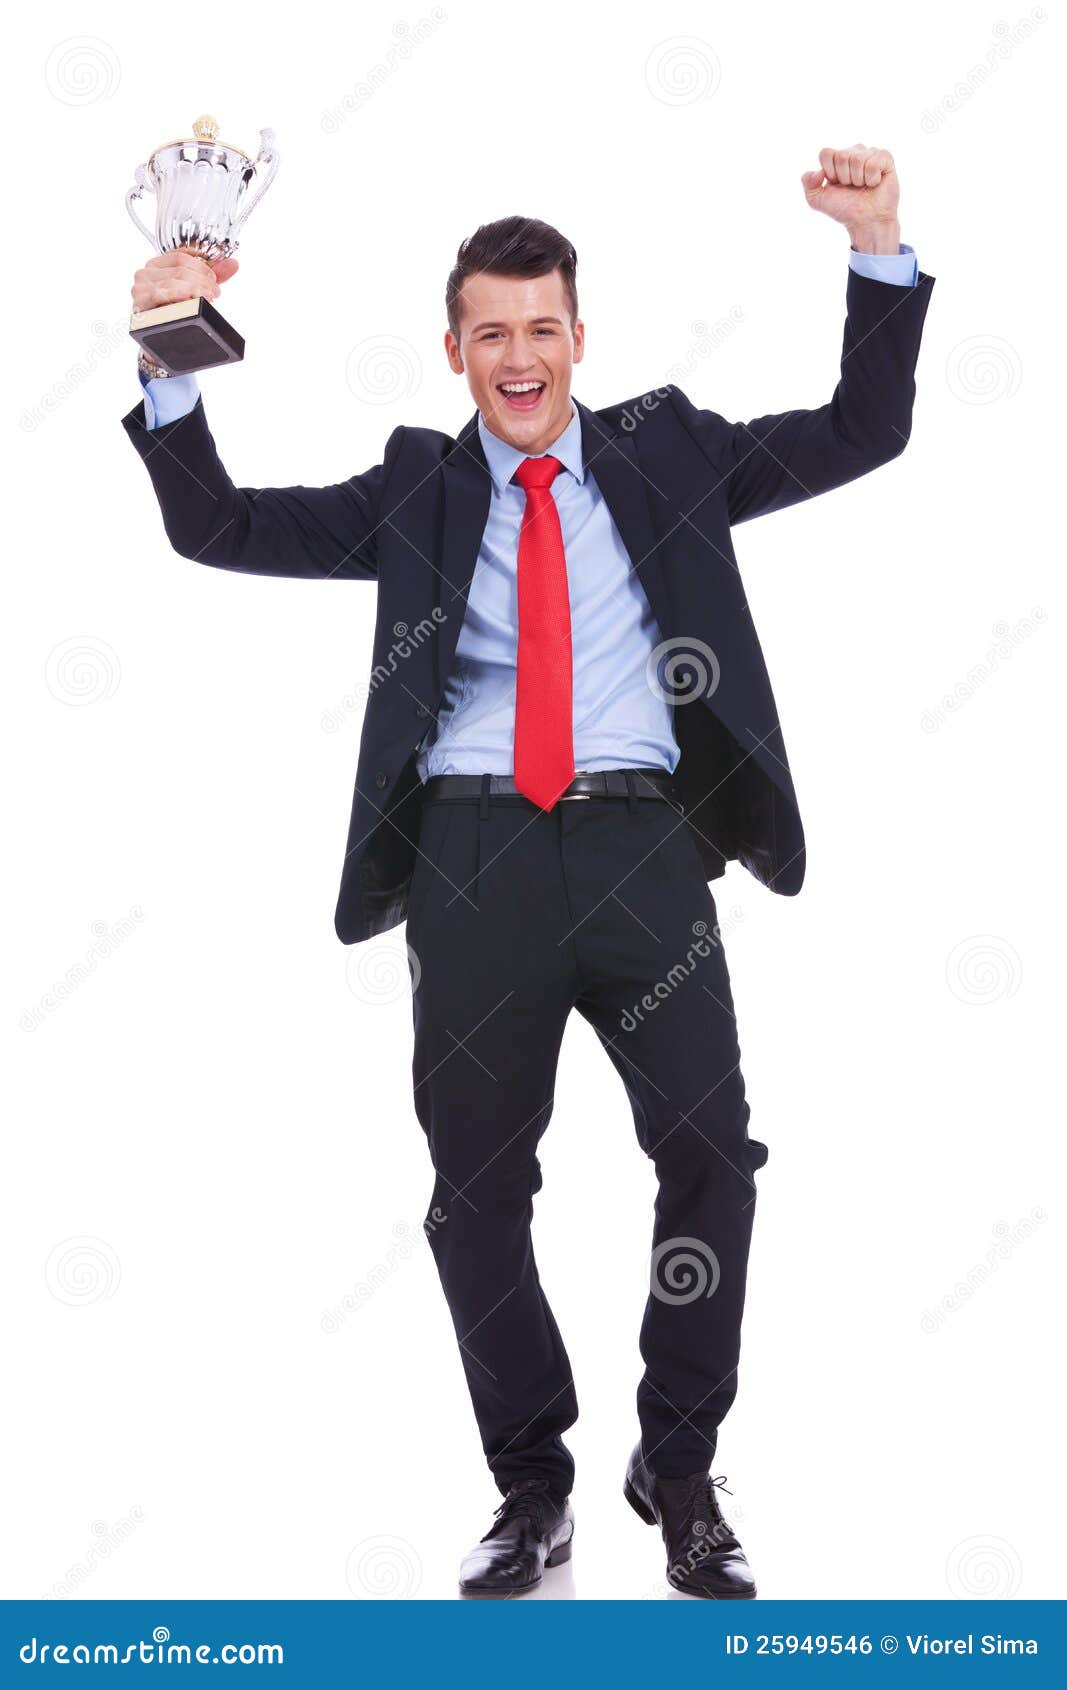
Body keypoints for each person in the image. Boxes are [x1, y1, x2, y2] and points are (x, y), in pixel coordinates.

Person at [123, 144, 934, 1598]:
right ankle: (530, 1485)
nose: (519, 355)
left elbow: (863, 430)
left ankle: (678, 1465)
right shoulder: (415, 488)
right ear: (455, 349)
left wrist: (877, 248)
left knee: (713, 1157)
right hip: (473, 857)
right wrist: (172, 353)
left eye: (542, 326)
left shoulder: (672, 450)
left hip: (644, 851)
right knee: (476, 1193)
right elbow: (216, 523)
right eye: (490, 330)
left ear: (580, 337)